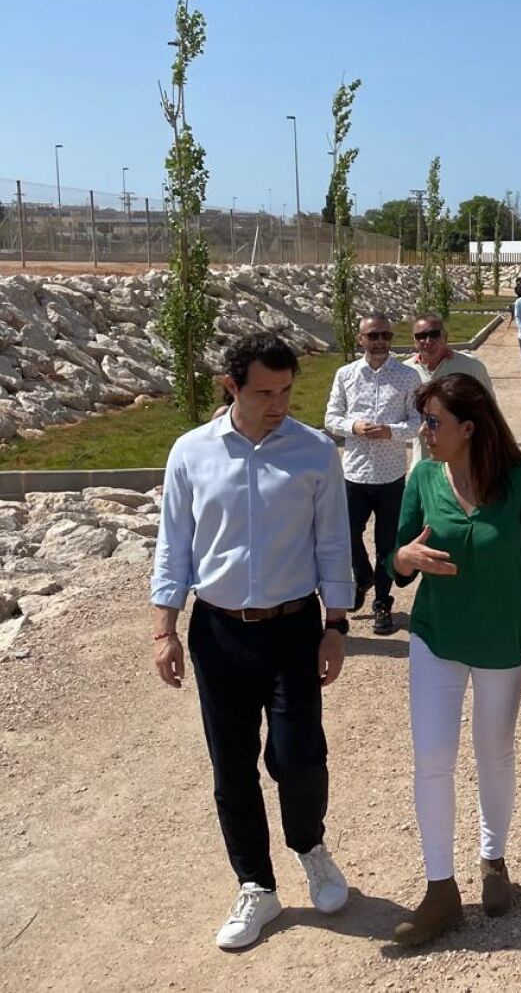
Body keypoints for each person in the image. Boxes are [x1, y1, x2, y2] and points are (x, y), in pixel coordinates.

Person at [150, 331, 354, 950]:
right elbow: (173, 545)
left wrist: (337, 625)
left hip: (293, 628)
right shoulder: (190, 453)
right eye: (264, 392)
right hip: (218, 632)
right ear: (230, 387)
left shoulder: (315, 452)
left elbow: (332, 543)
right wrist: (164, 627)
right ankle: (256, 886)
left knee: (298, 757)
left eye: (288, 390)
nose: (279, 403)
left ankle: (308, 844)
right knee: (231, 764)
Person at [385, 373, 521, 946]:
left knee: (493, 753)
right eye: (424, 421)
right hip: (436, 639)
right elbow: (395, 560)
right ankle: (440, 889)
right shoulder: (422, 477)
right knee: (432, 758)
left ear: (469, 426)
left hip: (503, 644)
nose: (425, 432)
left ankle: (494, 862)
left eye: (434, 421)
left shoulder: (520, 484)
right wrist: (405, 557)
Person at [323, 313, 422, 637]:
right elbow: (330, 418)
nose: (380, 342)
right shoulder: (346, 375)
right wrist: (354, 427)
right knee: (345, 535)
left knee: (386, 544)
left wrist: (390, 432)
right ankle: (361, 576)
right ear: (360, 339)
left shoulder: (408, 377)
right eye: (373, 335)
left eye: (385, 336)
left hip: (391, 475)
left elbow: (416, 423)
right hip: (354, 473)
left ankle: (382, 601)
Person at [406, 313, 495, 396]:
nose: (428, 341)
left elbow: (489, 407)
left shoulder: (472, 367)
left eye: (434, 334)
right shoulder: (406, 371)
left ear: (445, 337)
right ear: (414, 340)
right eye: (421, 336)